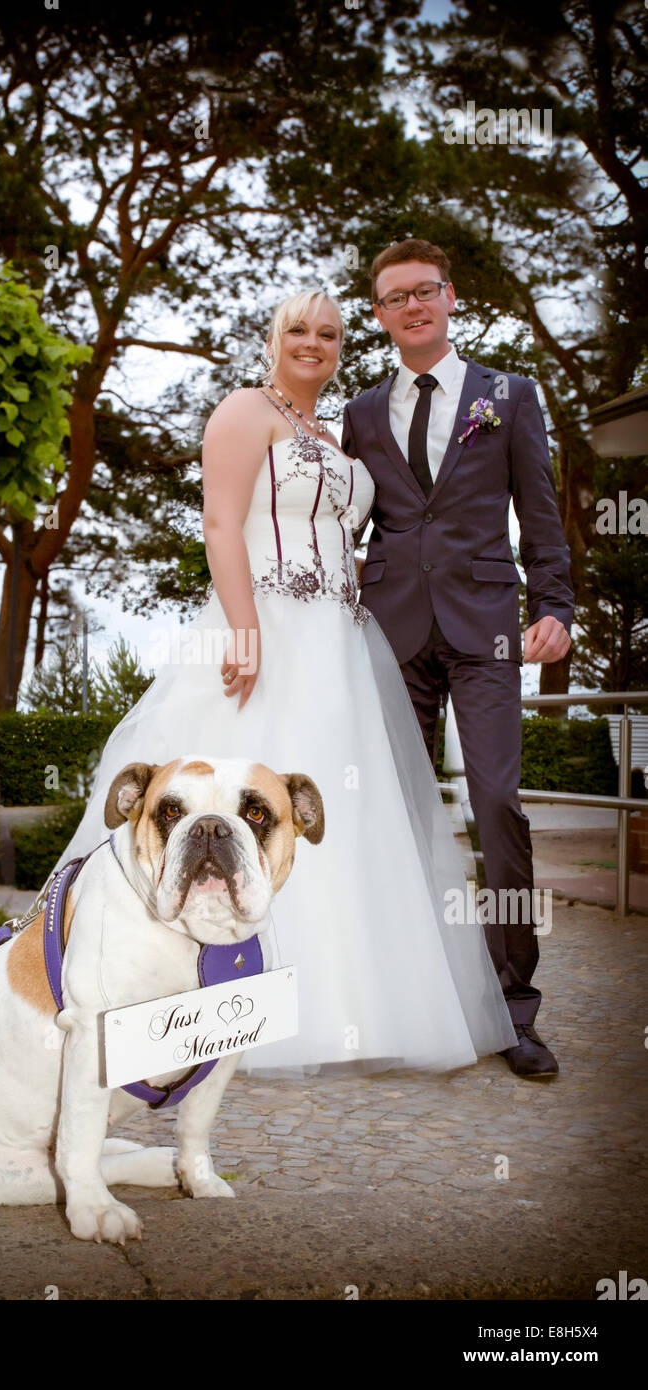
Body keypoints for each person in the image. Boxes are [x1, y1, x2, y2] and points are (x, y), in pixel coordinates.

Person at [18, 288, 517, 1077]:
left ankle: (345, 1010)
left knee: (346, 823)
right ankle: (187, 1004)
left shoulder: (337, 430)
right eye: (297, 331)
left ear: (340, 345)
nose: (312, 344)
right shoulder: (244, 412)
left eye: (327, 333)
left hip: (341, 646)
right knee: (226, 807)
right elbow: (220, 522)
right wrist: (244, 627)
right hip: (262, 633)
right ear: (272, 338)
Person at [343, 238, 575, 1079]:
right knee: (397, 816)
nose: (413, 305)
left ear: (449, 298)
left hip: (486, 627)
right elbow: (352, 517)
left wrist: (556, 607)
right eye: (395, 296)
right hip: (391, 628)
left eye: (426, 291)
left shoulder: (507, 396)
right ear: (378, 314)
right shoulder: (364, 410)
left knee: (497, 802)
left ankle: (515, 1008)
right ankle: (414, 999)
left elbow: (539, 514)